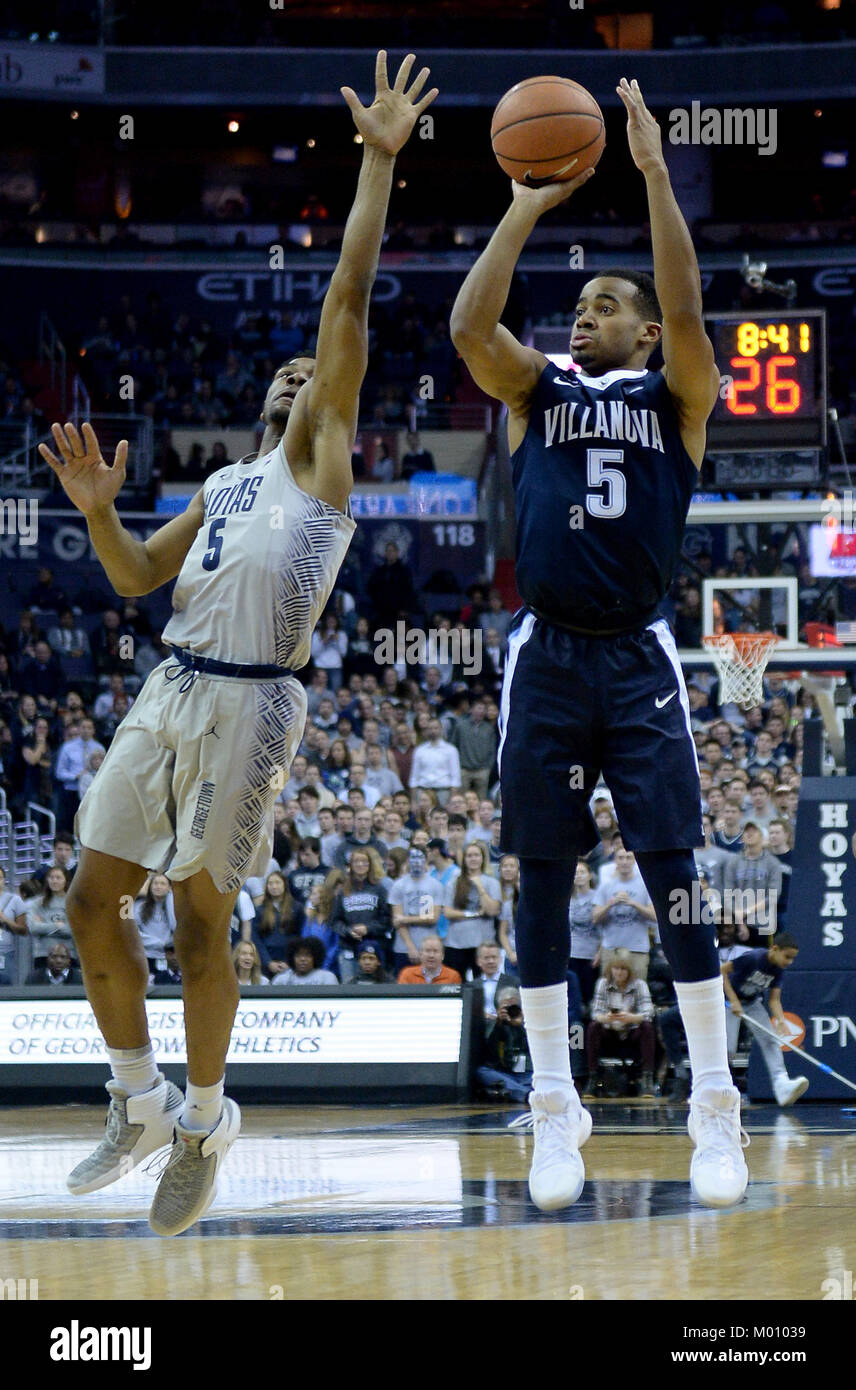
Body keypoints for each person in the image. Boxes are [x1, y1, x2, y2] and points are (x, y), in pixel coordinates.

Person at [36, 49, 437, 1237]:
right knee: (86, 901)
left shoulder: (321, 465)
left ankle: (209, 1117)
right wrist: (102, 511)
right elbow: (128, 582)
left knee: (204, 919)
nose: (297, 371)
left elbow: (347, 304)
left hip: (257, 701)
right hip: (169, 685)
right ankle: (140, 1098)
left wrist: (375, 167)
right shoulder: (220, 483)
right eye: (286, 368)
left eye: (313, 373)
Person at [450, 77, 746, 1210]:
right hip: (549, 651)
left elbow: (684, 303)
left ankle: (712, 1104)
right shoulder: (537, 387)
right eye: (578, 302)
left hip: (638, 653)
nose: (587, 311)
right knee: (540, 875)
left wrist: (657, 172)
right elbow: (470, 328)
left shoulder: (678, 394)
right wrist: (526, 201)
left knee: (674, 875)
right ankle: (553, 1105)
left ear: (647, 328)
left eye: (607, 300)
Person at [721, 932, 808, 1107]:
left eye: (793, 959)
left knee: (770, 1040)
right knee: (728, 1048)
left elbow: (774, 999)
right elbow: (722, 971)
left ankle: (781, 1085)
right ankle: (722, 1088)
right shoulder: (753, 958)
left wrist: (781, 1020)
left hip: (752, 1003)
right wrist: (733, 1000)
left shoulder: (778, 970)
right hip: (727, 1002)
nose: (789, 962)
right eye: (787, 957)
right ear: (775, 949)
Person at [585, 953, 656, 1099]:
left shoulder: (639, 984)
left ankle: (646, 1080)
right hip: (609, 1032)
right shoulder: (602, 983)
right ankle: (592, 1078)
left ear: (629, 971)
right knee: (593, 1027)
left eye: (623, 969)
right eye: (616, 968)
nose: (619, 972)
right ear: (611, 969)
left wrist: (632, 1018)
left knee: (647, 1027)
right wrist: (606, 1018)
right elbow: (595, 1012)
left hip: (631, 1032)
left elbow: (649, 1012)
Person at [591, 843, 657, 980]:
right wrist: (611, 904)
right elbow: (595, 918)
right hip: (611, 948)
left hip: (637, 948)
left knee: (638, 990)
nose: (624, 862)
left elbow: (655, 917)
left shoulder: (645, 885)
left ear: (634, 861)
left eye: (628, 858)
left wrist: (633, 904)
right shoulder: (606, 886)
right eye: (620, 858)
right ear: (615, 861)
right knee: (609, 992)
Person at [442, 840, 501, 978]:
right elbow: (448, 912)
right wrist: (473, 914)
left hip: (482, 944)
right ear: (464, 859)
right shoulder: (454, 882)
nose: (473, 859)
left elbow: (492, 910)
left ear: (482, 858)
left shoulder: (492, 883)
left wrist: (480, 887)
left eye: (476, 855)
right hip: (456, 944)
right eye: (469, 856)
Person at [330, 846, 390, 979]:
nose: (360, 865)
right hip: (348, 947)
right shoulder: (342, 891)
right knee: (349, 988)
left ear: (370, 865)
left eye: (364, 861)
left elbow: (386, 919)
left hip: (373, 948)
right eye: (356, 861)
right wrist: (348, 931)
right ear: (350, 865)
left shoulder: (379, 890)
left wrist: (367, 928)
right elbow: (335, 921)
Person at [387, 846, 446, 975]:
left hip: (428, 948)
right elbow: (397, 922)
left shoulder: (433, 885)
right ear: (407, 860)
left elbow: (431, 918)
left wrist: (406, 919)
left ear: (426, 860)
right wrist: (410, 947)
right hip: (403, 947)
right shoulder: (399, 885)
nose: (417, 862)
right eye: (413, 858)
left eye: (420, 858)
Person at [476, 986, 533, 1103]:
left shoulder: (530, 1023)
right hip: (505, 1073)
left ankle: (516, 1091)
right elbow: (490, 1050)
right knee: (482, 1072)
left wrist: (520, 1026)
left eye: (514, 1007)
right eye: (506, 1007)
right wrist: (498, 1024)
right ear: (498, 1008)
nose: (510, 1011)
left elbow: (535, 1047)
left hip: (526, 1073)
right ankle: (526, 1094)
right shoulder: (494, 1024)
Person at [568, 861, 601, 1008]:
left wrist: (600, 952)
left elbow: (604, 928)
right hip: (572, 953)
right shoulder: (567, 898)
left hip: (591, 953)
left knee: (590, 996)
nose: (579, 876)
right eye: (575, 873)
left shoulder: (598, 896)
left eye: (582, 872)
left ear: (589, 875)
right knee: (575, 997)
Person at [271, 935, 339, 986]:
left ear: (315, 957)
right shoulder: (282, 980)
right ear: (292, 958)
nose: (303, 959)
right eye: (298, 955)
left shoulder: (326, 978)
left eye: (308, 955)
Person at [0, 865, 28, 985]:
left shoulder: (14, 900)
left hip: (7, 953)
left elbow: (23, 929)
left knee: (6, 985)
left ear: (4, 880)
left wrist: (5, 920)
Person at [397, 934, 462, 985]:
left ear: (443, 956)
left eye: (435, 951)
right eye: (427, 951)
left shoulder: (453, 976)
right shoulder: (407, 974)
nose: (431, 955)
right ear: (421, 954)